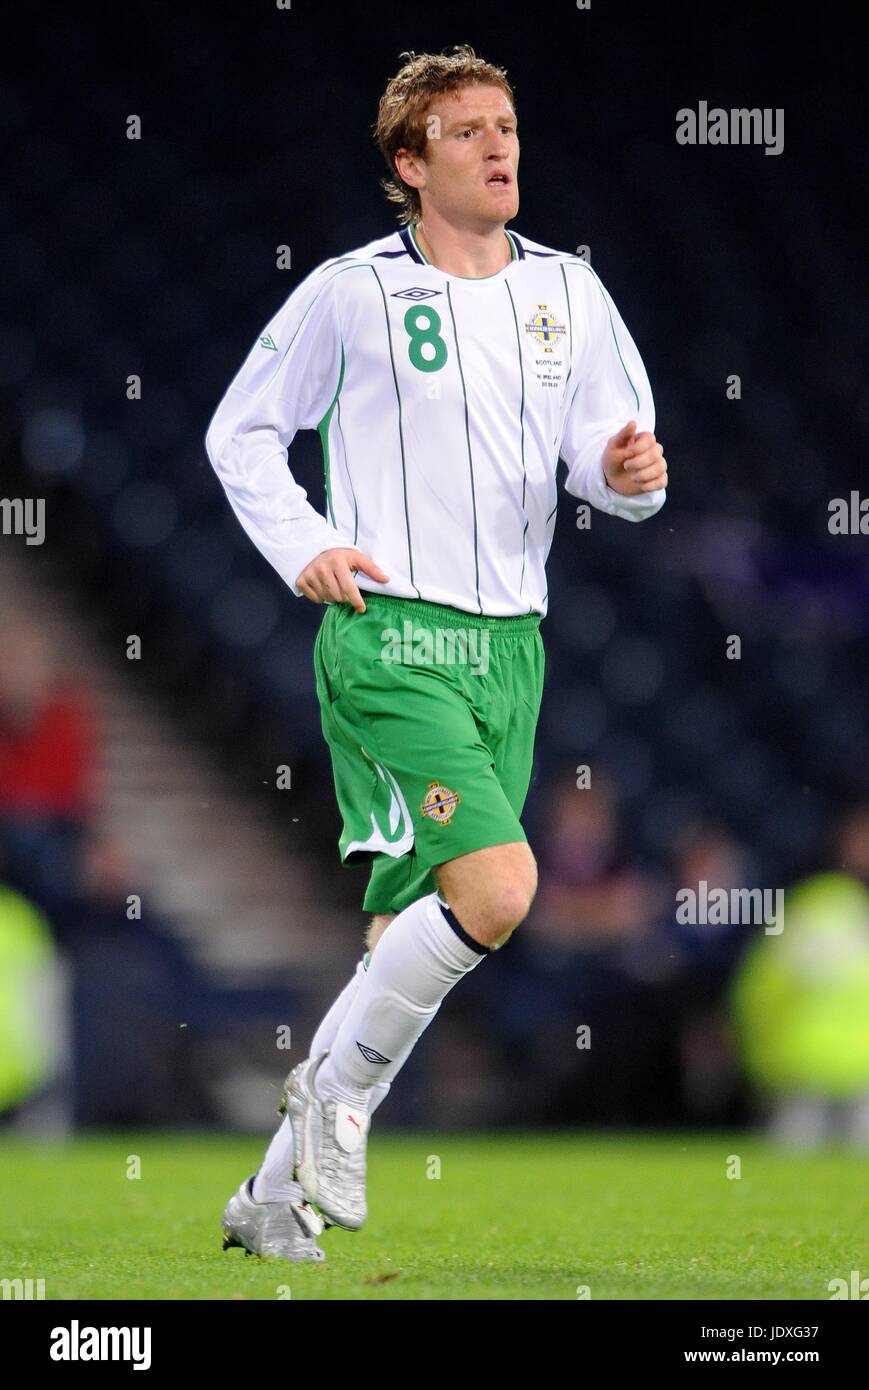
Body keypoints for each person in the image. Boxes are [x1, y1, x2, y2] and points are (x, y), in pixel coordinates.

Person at [205, 45, 668, 1262]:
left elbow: (609, 461)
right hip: (391, 635)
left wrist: (625, 480)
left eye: (506, 124)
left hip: (511, 646)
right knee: (502, 890)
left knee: (417, 932)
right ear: (409, 165)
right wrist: (303, 542)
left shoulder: (569, 291)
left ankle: (269, 1196)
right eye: (466, 131)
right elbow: (240, 434)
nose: (499, 145)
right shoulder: (351, 291)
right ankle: (340, 1104)